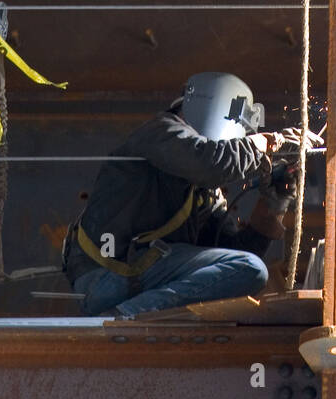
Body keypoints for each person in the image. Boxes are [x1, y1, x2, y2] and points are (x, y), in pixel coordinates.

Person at [63, 72, 316, 319]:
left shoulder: (204, 188)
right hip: (104, 277)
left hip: (140, 280)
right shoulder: (160, 132)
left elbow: (229, 260)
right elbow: (210, 162)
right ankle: (124, 318)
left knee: (249, 269)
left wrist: (272, 205)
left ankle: (128, 317)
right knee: (250, 268)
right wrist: (269, 142)